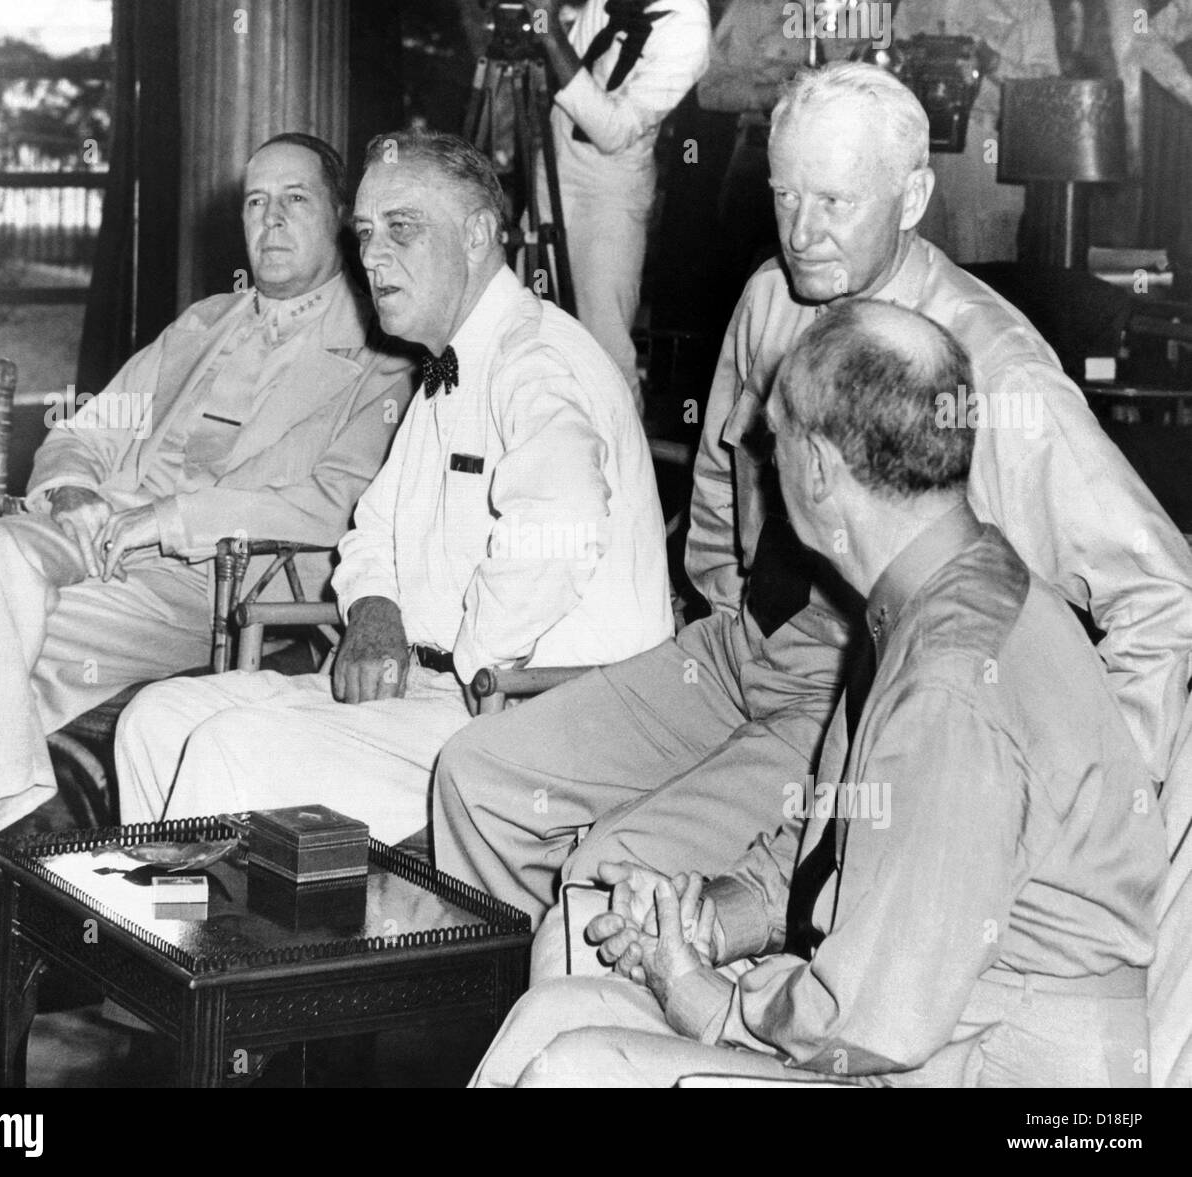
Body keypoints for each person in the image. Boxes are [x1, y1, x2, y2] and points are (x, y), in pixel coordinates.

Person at [432, 63, 1192, 981]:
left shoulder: (990, 371)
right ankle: (500, 1025)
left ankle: (614, 1036)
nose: (804, 233)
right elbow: (721, 481)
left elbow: (1160, 592)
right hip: (739, 646)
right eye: (785, 195)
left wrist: (1077, 806)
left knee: (603, 889)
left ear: (913, 196)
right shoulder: (772, 298)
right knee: (479, 781)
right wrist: (721, 613)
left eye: (835, 200)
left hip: (858, 692)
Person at [471, 301, 1167, 1088]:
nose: (764, 464)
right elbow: (835, 840)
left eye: (775, 440)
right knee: (550, 1013)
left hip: (1019, 1086)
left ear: (820, 471)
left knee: (577, 1069)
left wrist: (700, 997)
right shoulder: (934, 592)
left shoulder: (948, 682)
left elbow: (877, 1019)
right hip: (942, 1031)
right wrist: (707, 917)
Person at [0, 132, 416, 1036]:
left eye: (295, 199)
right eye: (255, 202)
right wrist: (79, 491)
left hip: (200, 578)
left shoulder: (381, 358)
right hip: (93, 537)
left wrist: (168, 521)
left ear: (341, 217)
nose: (272, 219)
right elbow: (91, 427)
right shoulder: (206, 321)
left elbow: (337, 505)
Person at [113, 130, 672, 846]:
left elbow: (561, 524)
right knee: (155, 722)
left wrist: (471, 662)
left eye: (401, 230)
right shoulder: (445, 369)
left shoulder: (535, 360)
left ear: (476, 235)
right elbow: (372, 527)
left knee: (231, 749)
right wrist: (377, 610)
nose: (372, 257)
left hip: (535, 722)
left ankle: (224, 949)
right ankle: (167, 935)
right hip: (434, 693)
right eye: (367, 233)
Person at [532, 0, 711, 404]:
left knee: (604, 341)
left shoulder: (688, 29)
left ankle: (626, 458)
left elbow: (611, 131)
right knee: (530, 318)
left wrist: (548, 30)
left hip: (609, 186)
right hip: (551, 162)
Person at [891, 0, 1060, 263]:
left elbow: (1046, 87)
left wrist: (993, 63)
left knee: (982, 275)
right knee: (917, 276)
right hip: (920, 154)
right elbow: (893, 62)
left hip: (985, 152)